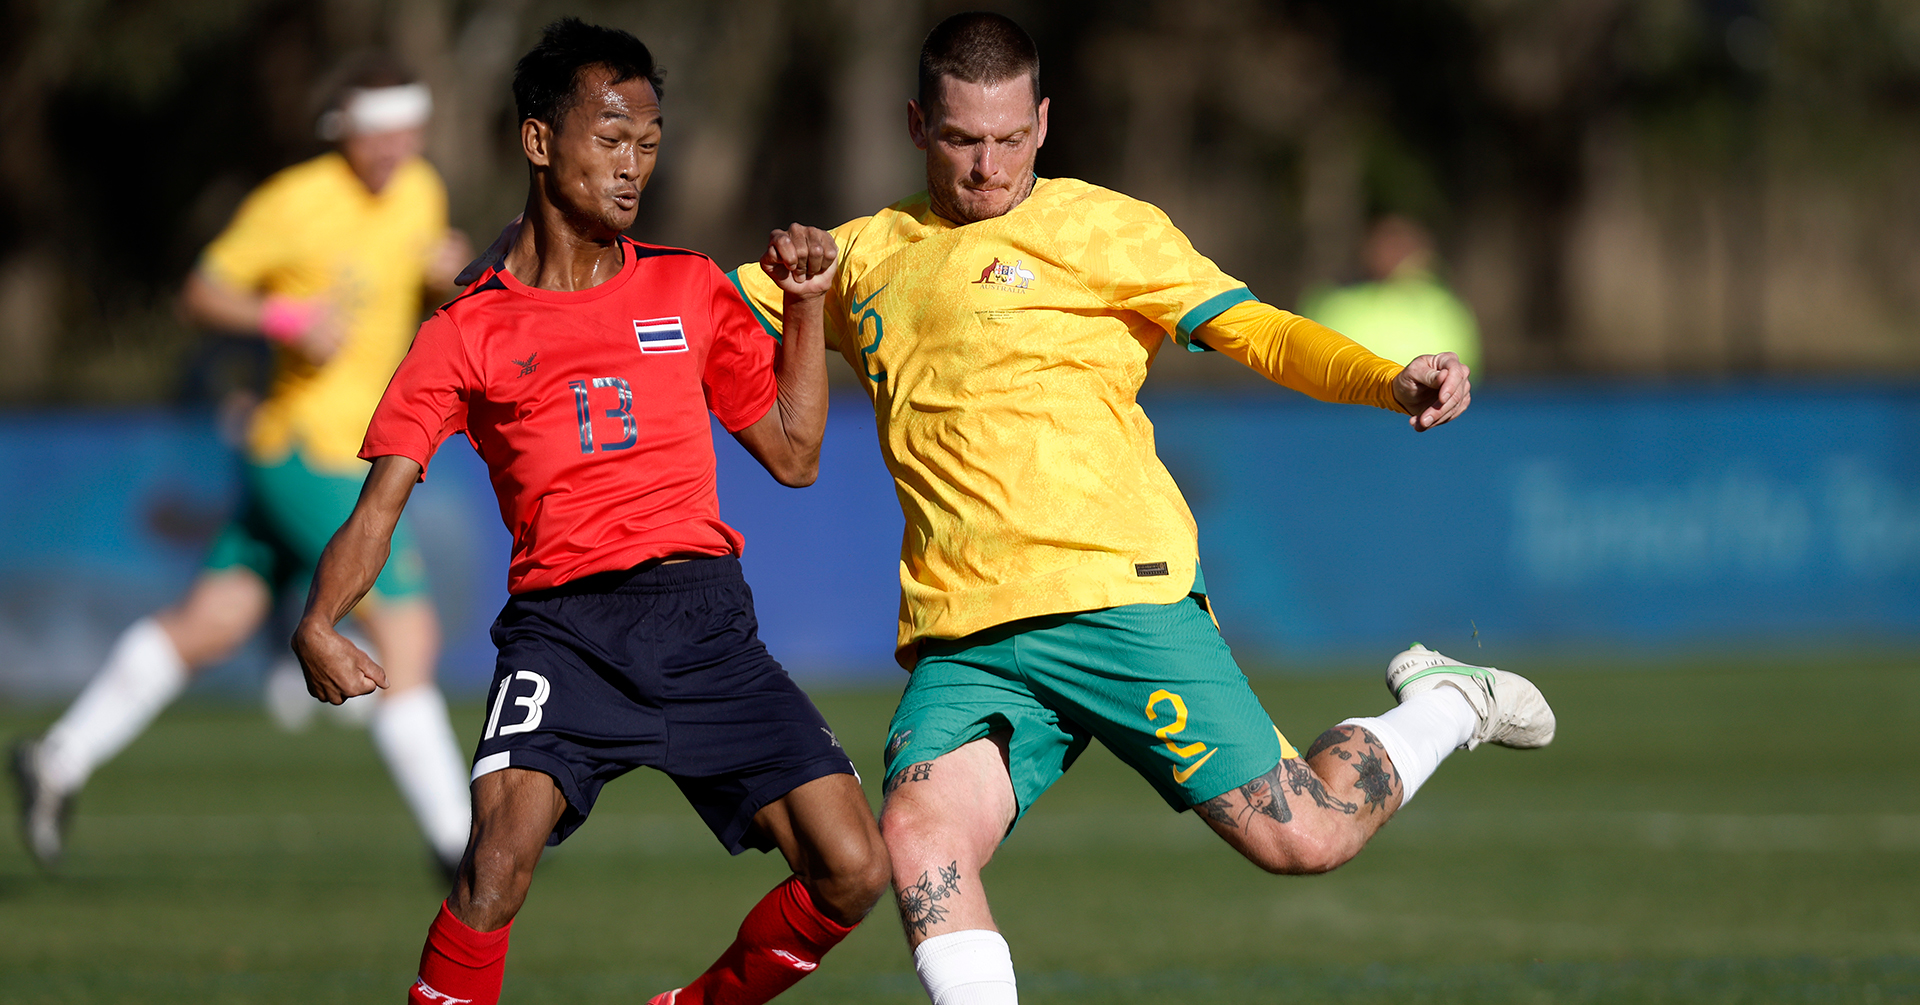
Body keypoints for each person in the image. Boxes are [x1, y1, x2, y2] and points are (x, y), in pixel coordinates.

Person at [721, 13, 1556, 1005]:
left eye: (1007, 138)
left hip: (1118, 596)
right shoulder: (862, 256)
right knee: (919, 839)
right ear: (915, 124)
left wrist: (1388, 379)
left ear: (1043, 121)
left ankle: (1444, 702)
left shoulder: (1109, 230)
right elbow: (679, 320)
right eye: (959, 139)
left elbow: (1259, 331)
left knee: (1307, 838)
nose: (986, 165)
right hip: (966, 636)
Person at [291, 21, 888, 1005]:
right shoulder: (464, 332)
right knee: (491, 871)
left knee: (855, 870)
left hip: (707, 628)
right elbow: (378, 508)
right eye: (610, 139)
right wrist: (320, 619)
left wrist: (808, 303)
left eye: (648, 144)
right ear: (538, 143)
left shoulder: (688, 286)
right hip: (566, 636)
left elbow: (795, 454)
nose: (632, 166)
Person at [12, 56, 474, 873]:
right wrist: (282, 315)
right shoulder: (294, 202)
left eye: (409, 132)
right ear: (346, 134)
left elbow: (421, 306)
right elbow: (200, 293)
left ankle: (59, 758)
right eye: (380, 135)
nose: (397, 149)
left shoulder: (421, 193)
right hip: (313, 450)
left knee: (214, 620)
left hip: (315, 454)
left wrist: (446, 283)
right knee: (409, 627)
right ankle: (457, 842)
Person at [1299, 213, 1483, 369]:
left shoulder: (1445, 305)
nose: (1396, 256)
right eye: (1388, 246)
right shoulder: (1335, 301)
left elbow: (1465, 365)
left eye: (1403, 247)